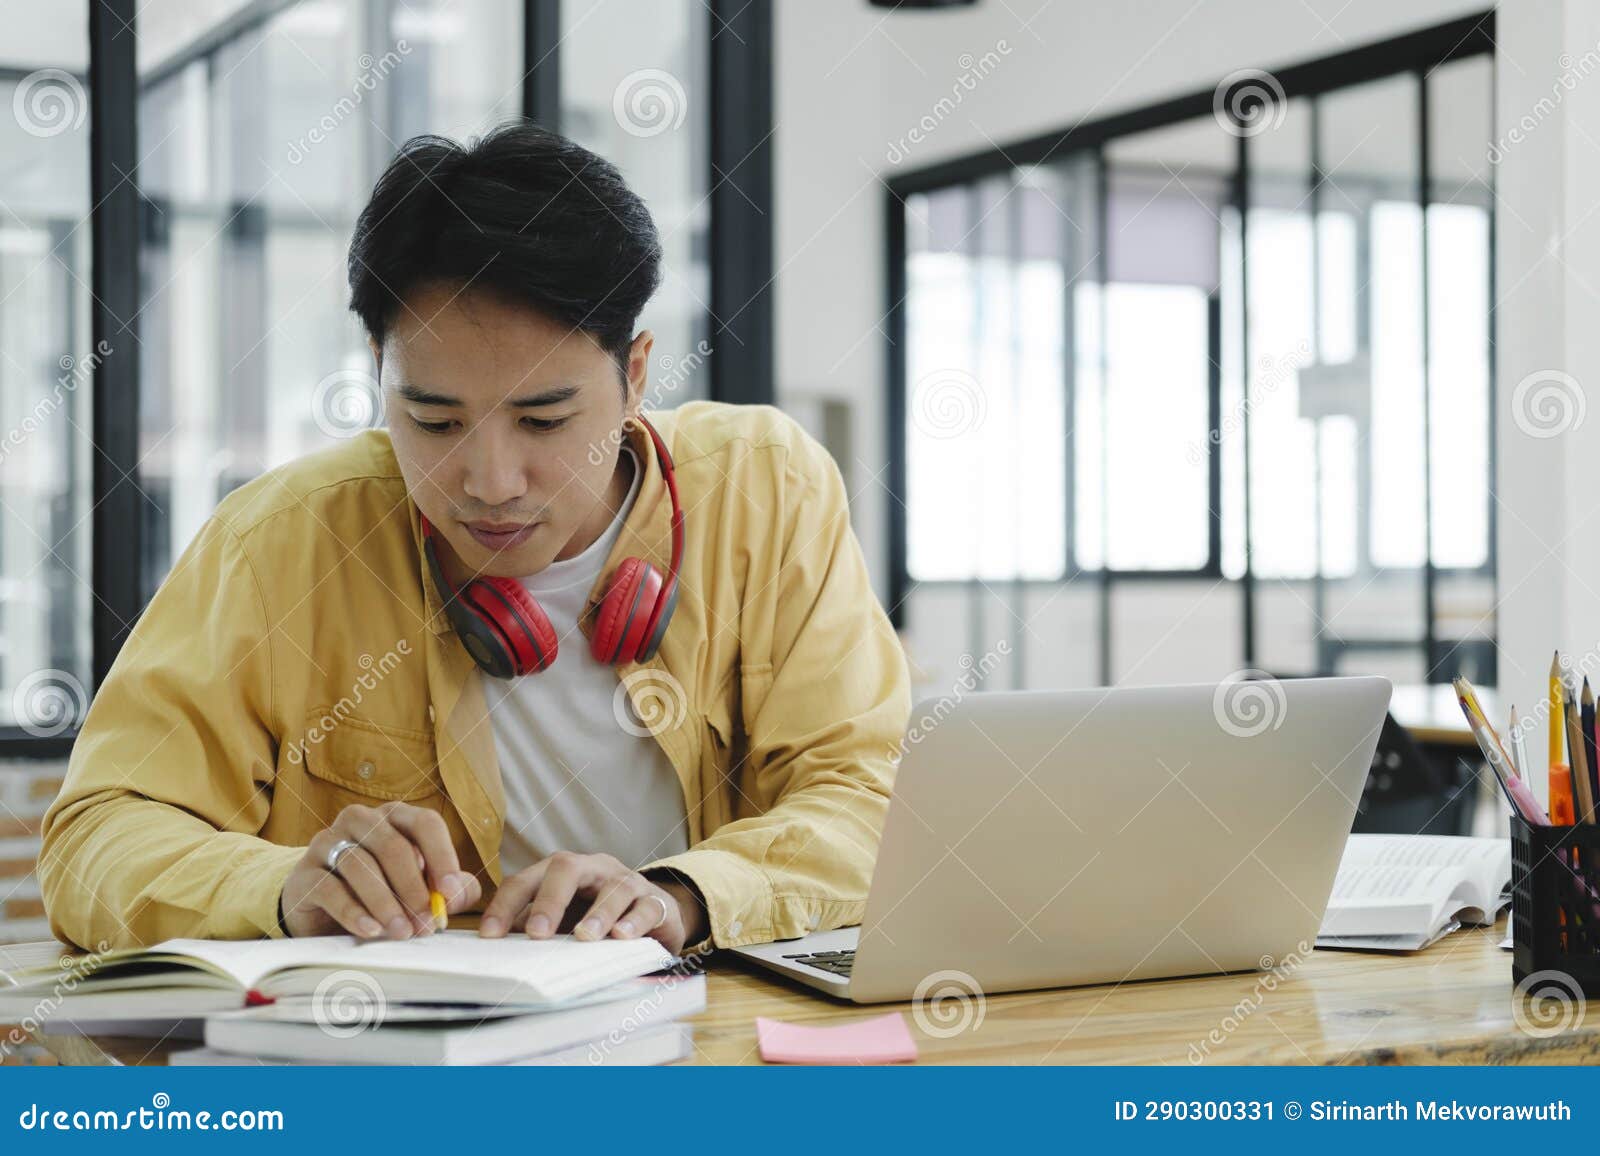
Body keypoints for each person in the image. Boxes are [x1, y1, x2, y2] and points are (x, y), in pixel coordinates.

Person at [39, 122, 911, 958]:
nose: (490, 481)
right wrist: (278, 887)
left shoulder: (764, 488)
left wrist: (685, 895)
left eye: (543, 418)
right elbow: (98, 835)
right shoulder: (281, 542)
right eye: (434, 419)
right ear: (379, 369)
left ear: (636, 373)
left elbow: (871, 798)